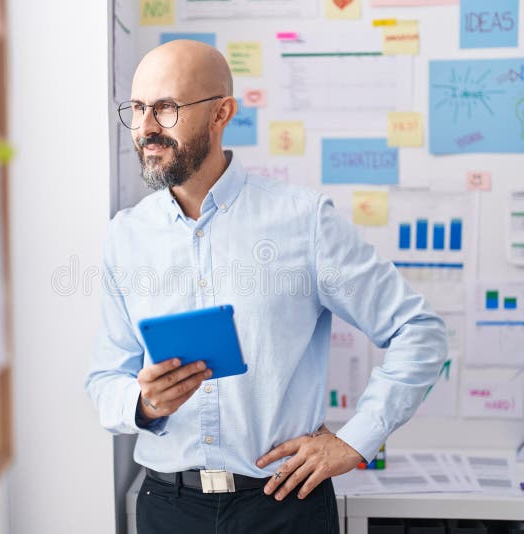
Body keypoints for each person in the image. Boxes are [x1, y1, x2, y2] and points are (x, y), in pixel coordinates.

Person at [85, 40, 447, 534]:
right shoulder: (125, 235)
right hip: (167, 507)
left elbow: (419, 330)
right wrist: (143, 405)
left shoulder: (304, 221)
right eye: (138, 108)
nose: (146, 127)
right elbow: (105, 377)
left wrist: (356, 441)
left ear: (221, 113)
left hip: (283, 507)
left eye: (166, 108)